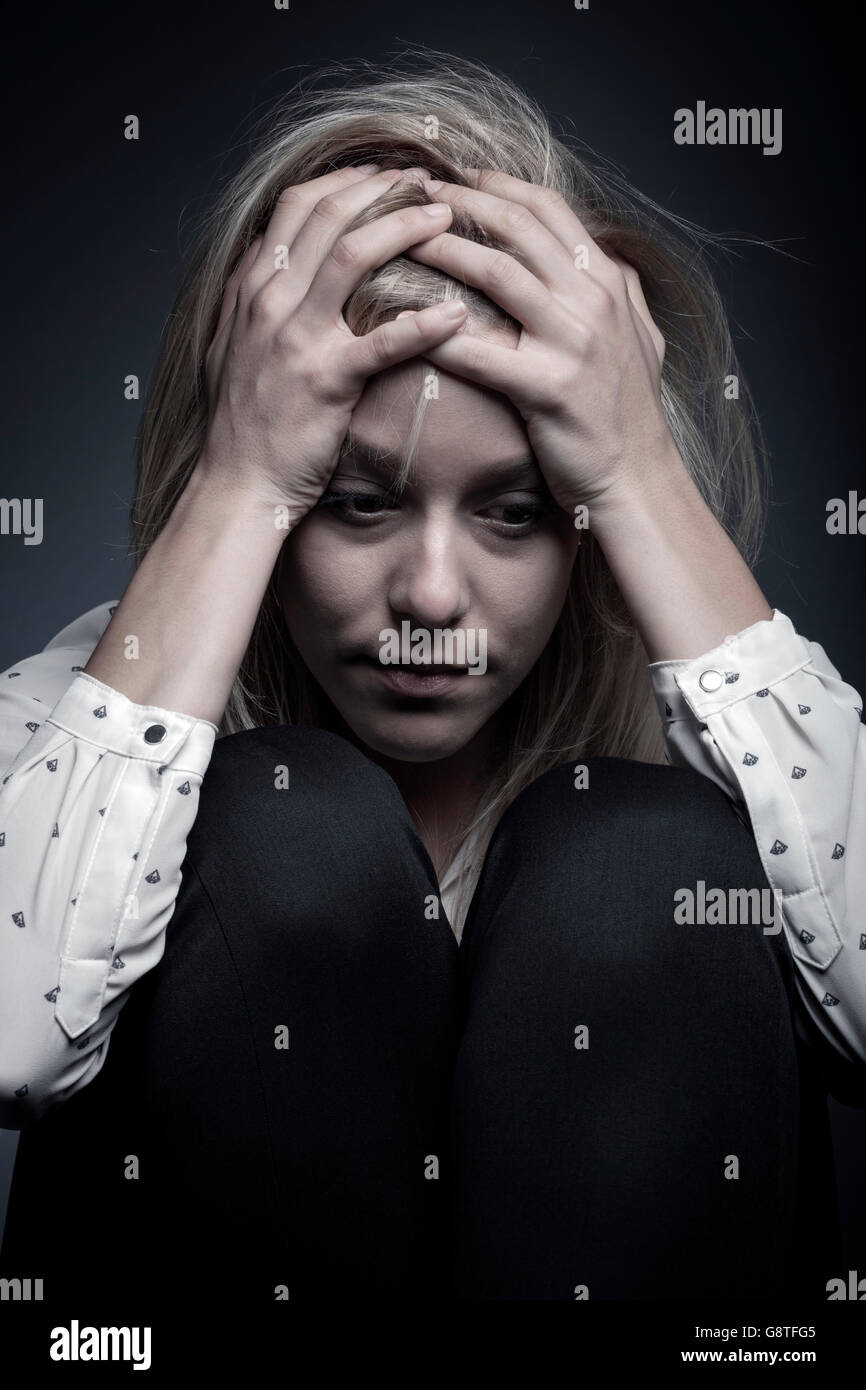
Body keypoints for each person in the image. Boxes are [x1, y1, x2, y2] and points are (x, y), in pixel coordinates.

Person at [0, 48, 863, 1311]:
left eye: (516, 511)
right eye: (355, 503)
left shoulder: (712, 750)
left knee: (636, 854)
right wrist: (238, 482)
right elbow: (13, 1042)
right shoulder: (88, 717)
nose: (434, 595)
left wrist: (637, 477)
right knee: (279, 822)